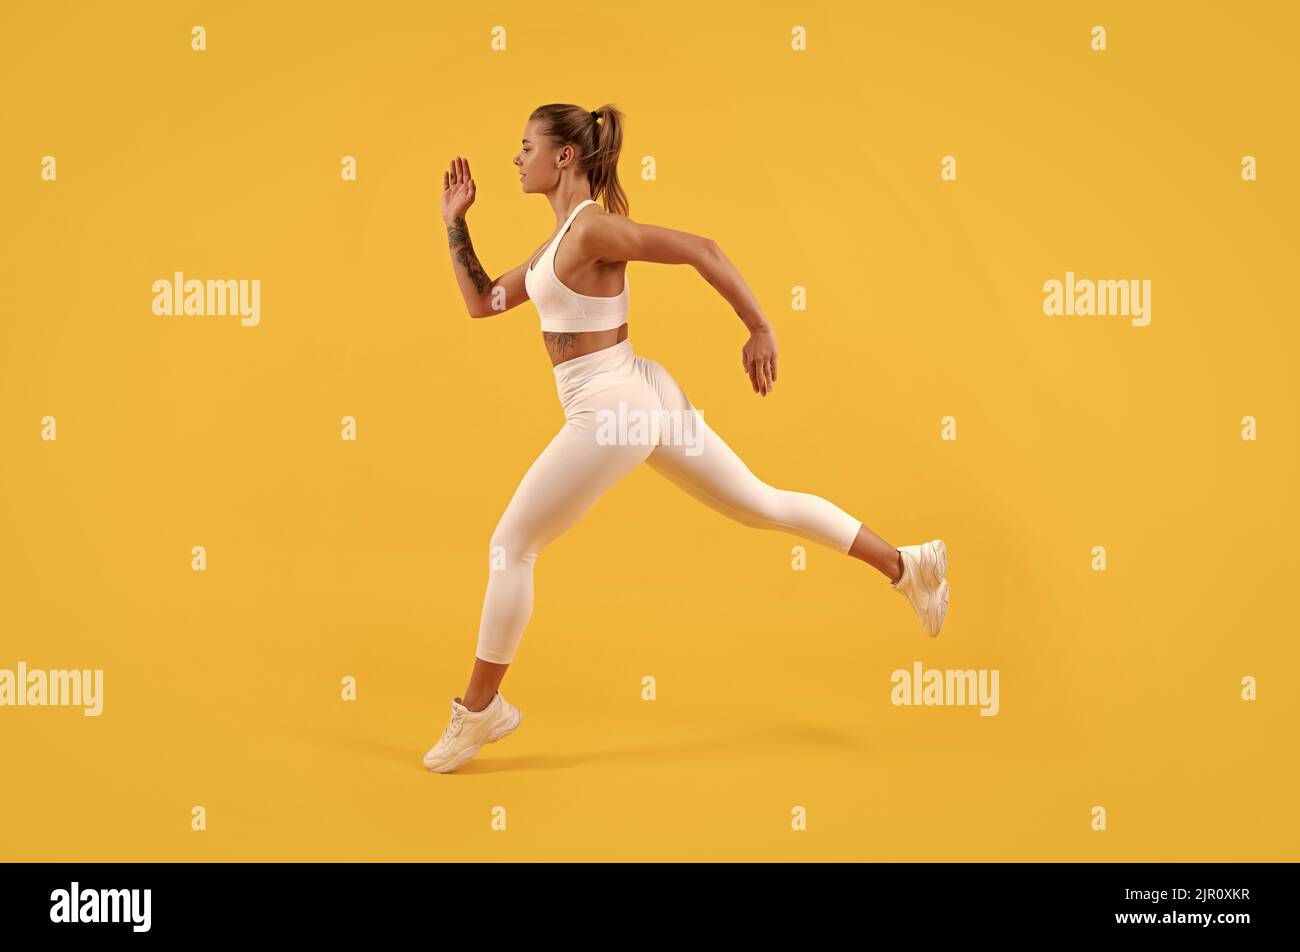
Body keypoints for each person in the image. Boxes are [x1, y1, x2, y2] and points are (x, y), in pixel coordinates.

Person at [424, 103, 948, 773]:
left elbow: (704, 250)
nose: (515, 157)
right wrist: (454, 222)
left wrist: (760, 327)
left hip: (614, 406)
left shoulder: (593, 232)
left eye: (526, 146)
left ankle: (479, 712)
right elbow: (483, 302)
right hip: (642, 390)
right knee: (761, 502)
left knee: (511, 547)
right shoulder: (556, 246)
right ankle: (909, 565)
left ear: (563, 158)